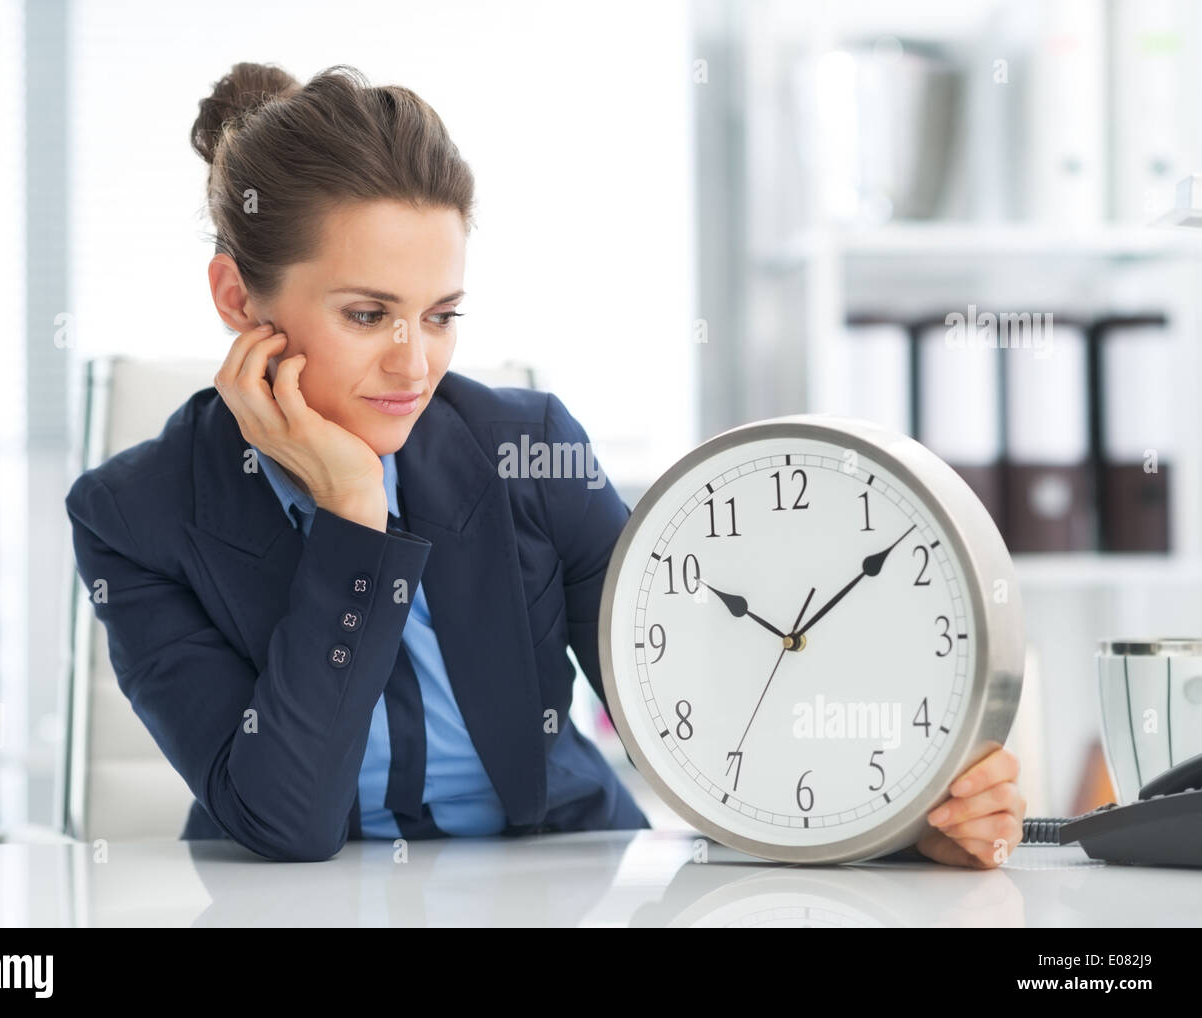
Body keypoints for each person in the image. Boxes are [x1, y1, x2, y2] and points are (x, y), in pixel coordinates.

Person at [65, 61, 1023, 867]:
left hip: (562, 883)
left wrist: (898, 828)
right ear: (239, 298)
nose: (415, 363)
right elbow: (287, 821)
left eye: (441, 314)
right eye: (368, 315)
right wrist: (356, 517)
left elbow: (715, 722)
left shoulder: (526, 450)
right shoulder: (132, 516)